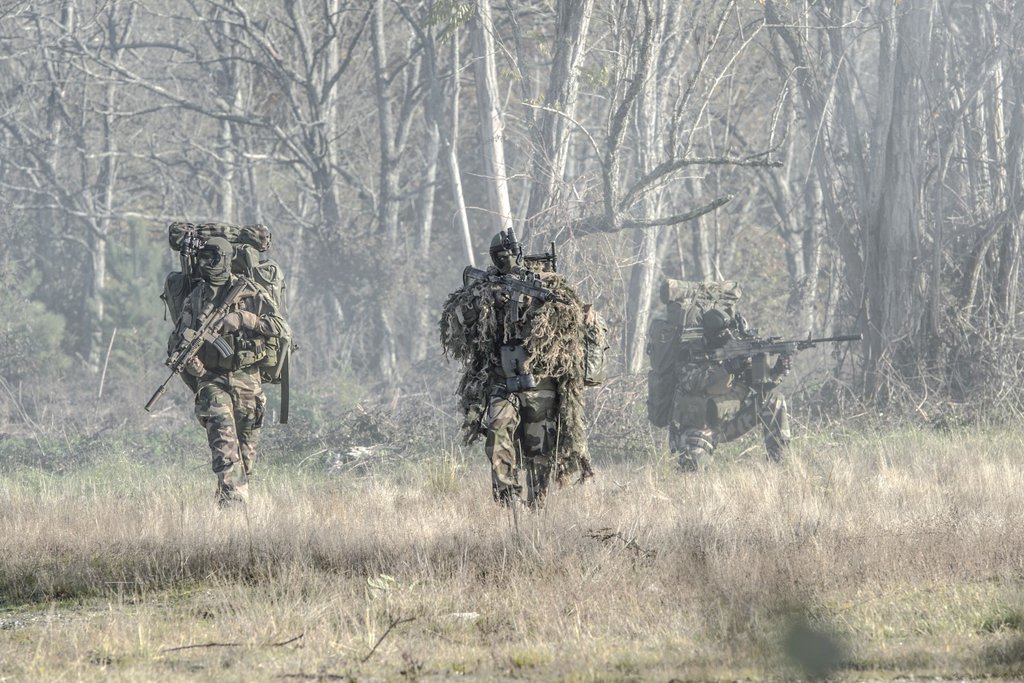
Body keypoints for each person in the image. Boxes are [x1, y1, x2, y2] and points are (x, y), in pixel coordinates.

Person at [439, 229, 604, 508]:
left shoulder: (548, 287)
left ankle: (538, 505)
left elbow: (571, 327)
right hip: (502, 381)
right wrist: (489, 301)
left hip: (540, 382)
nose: (506, 259)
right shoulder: (484, 289)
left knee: (540, 450)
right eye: (500, 256)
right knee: (498, 436)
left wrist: (537, 308)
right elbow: (459, 322)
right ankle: (508, 501)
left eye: (509, 254)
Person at [167, 237, 289, 506]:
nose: (205, 263)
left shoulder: (251, 291)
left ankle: (230, 504)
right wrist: (191, 364)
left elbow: (281, 329)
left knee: (245, 457)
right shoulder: (195, 298)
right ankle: (232, 504)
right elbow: (180, 339)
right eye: (202, 258)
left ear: (223, 258)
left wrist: (245, 319)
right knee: (224, 443)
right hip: (212, 381)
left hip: (248, 380)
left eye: (211, 258)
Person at [669, 307, 791, 470]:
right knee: (693, 473)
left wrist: (777, 371)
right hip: (700, 427)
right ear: (708, 335)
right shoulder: (691, 352)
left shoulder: (733, 348)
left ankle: (778, 463)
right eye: (720, 334)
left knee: (774, 399)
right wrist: (726, 369)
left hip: (729, 422)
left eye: (727, 332)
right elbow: (692, 383)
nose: (726, 336)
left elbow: (758, 385)